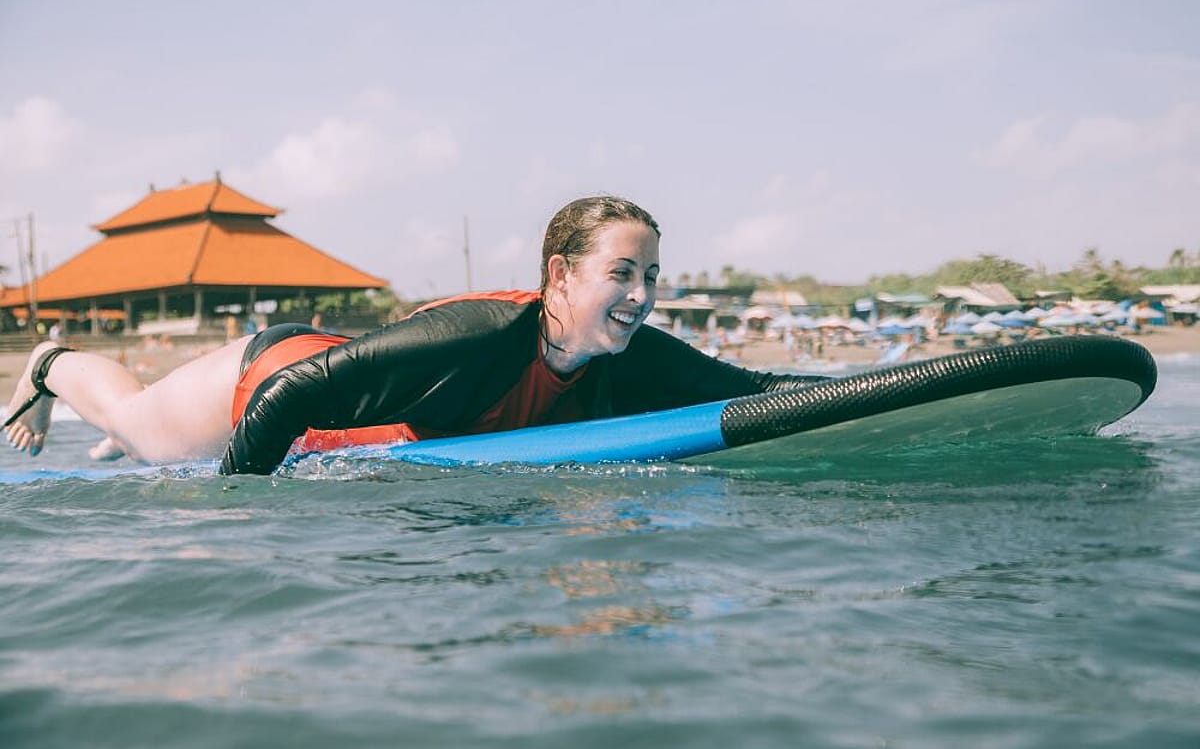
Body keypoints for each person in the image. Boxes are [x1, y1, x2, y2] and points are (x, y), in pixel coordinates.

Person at [5, 196, 825, 475]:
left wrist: (941, 379)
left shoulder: (632, 348)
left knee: (144, 432)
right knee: (145, 432)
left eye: (650, 276)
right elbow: (295, 393)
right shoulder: (483, 332)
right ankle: (49, 364)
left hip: (356, 387)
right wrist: (236, 502)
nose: (641, 296)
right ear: (561, 274)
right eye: (622, 273)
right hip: (273, 380)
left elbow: (753, 391)